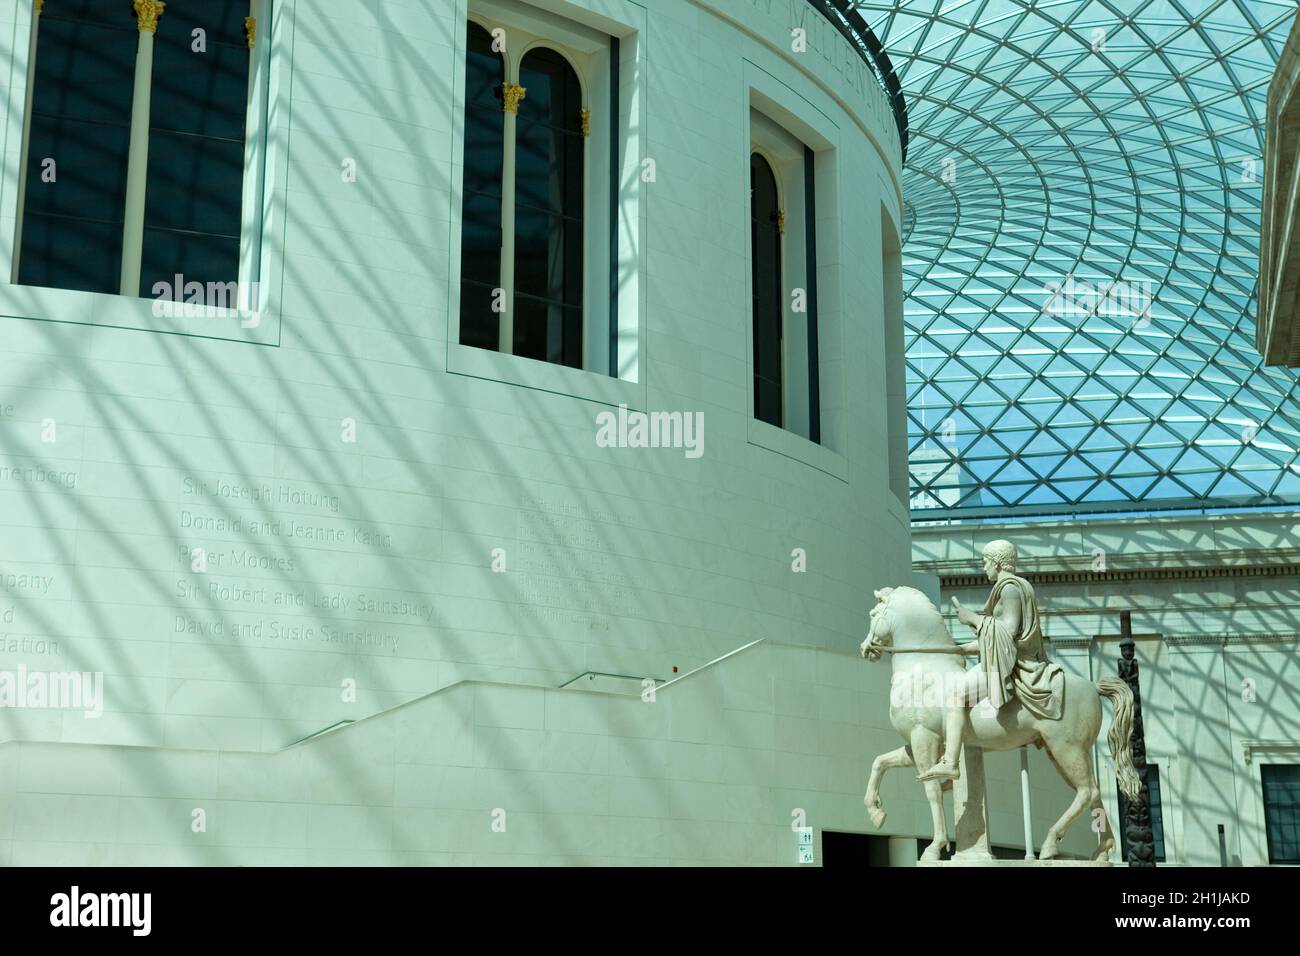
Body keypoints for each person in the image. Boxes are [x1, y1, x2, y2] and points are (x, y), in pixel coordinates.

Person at [917, 539, 1065, 782]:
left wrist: (972, 619)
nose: (983, 567)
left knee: (955, 695)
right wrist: (960, 649)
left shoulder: (1010, 588)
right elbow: (995, 639)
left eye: (985, 561)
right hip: (1003, 657)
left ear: (997, 562)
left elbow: (1008, 630)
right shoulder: (1013, 587)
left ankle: (951, 762)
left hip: (1013, 664)